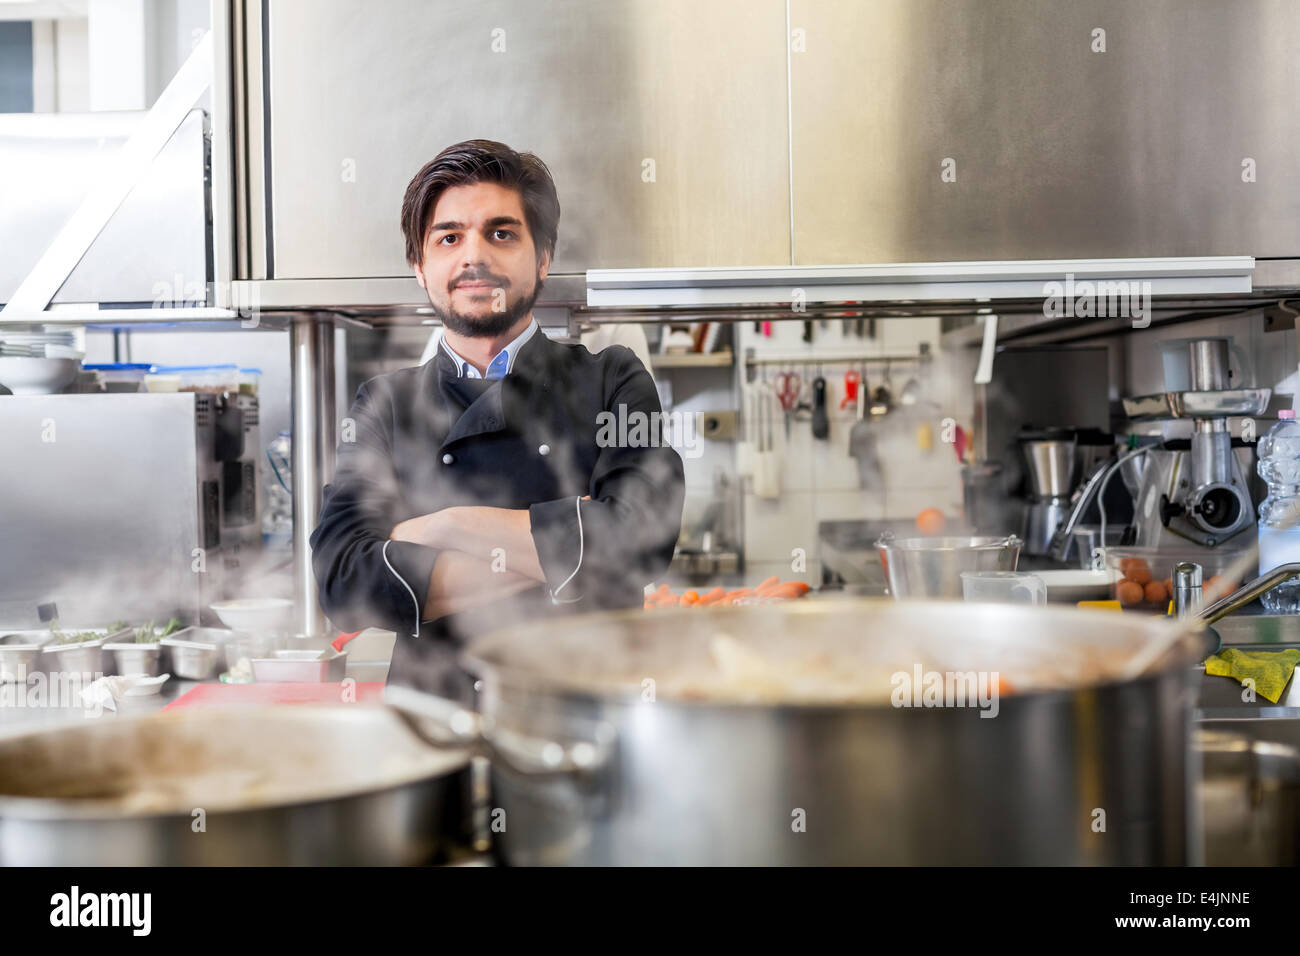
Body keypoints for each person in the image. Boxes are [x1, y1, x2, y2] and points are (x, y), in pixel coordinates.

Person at [309, 139, 686, 691]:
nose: (474, 256)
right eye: (449, 237)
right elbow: (342, 580)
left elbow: (639, 542)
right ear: (420, 266)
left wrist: (444, 525)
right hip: (436, 727)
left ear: (543, 257)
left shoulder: (614, 379)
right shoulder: (384, 404)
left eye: (501, 233)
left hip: (585, 715)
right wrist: (561, 553)